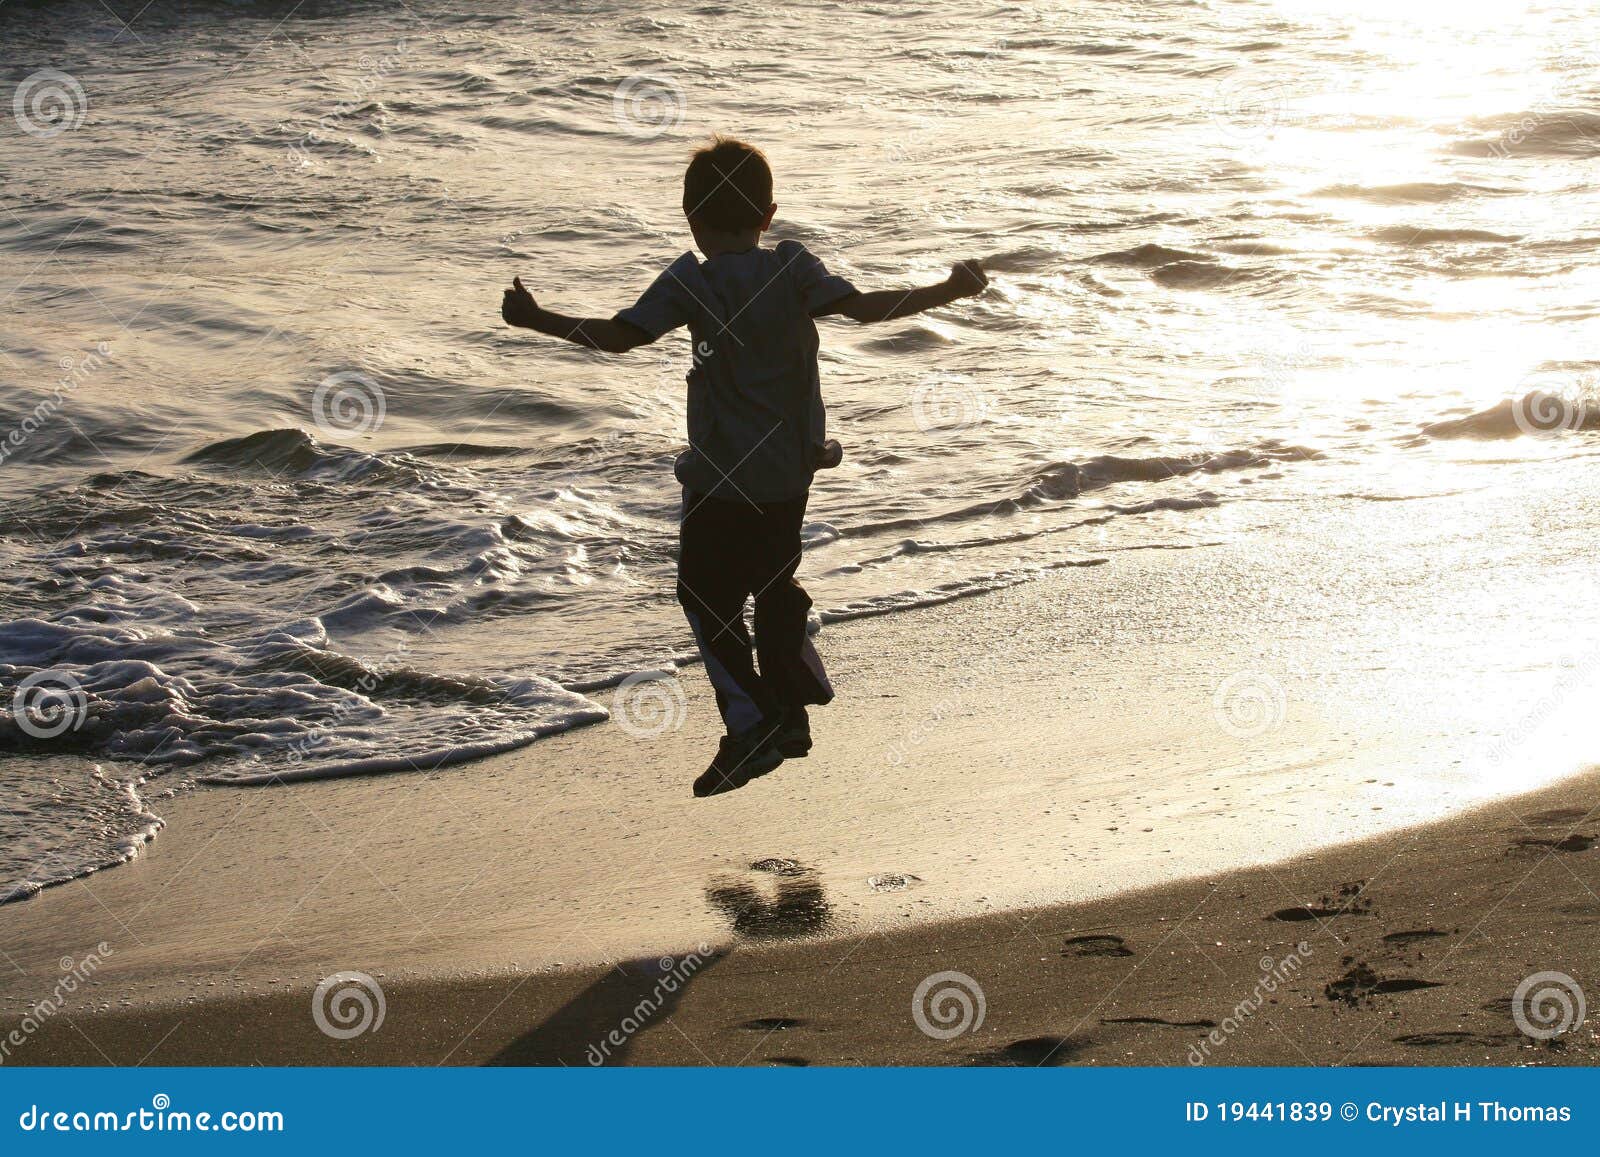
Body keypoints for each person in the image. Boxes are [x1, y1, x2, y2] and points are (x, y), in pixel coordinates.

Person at [501, 136, 988, 796]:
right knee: (770, 582)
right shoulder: (794, 270)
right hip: (789, 477)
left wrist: (537, 319)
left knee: (704, 599)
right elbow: (869, 307)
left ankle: (751, 720)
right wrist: (947, 290)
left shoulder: (691, 283)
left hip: (720, 482)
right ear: (768, 214)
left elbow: (619, 337)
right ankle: (788, 699)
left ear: (690, 219)